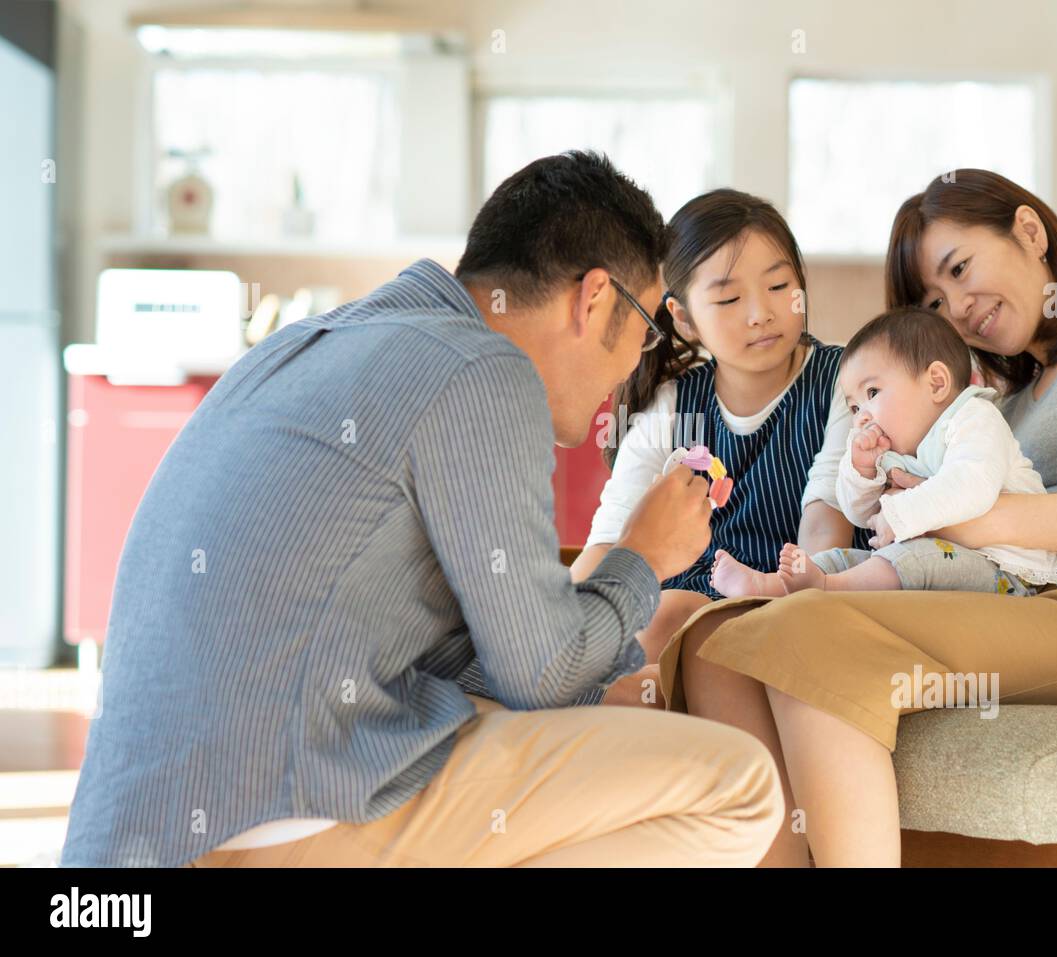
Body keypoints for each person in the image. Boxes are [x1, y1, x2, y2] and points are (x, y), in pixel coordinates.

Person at [59, 151, 783, 868]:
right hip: (277, 813)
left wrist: (592, 668)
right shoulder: (486, 369)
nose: (636, 363)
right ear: (593, 299)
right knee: (742, 785)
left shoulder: (316, 343)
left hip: (141, 837)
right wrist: (643, 557)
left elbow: (475, 662)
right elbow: (543, 670)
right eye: (646, 327)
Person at [655, 168, 1057, 868]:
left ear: (1030, 230)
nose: (959, 309)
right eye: (936, 299)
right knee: (727, 636)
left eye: (960, 269)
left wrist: (980, 520)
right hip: (1040, 594)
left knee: (809, 628)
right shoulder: (1005, 400)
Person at [571, 189, 870, 707]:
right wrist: (560, 634)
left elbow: (825, 533)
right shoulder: (674, 402)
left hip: (796, 596)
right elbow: (611, 542)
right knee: (665, 613)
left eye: (779, 286)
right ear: (684, 319)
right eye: (729, 300)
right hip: (683, 604)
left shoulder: (842, 380)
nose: (760, 313)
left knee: (687, 622)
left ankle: (608, 709)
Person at [720, 305, 1057, 598]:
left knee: (911, 558)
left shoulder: (973, 418)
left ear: (936, 383)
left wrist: (899, 514)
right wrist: (862, 471)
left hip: (1010, 572)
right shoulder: (899, 447)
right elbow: (859, 514)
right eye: (854, 407)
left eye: (872, 392)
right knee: (844, 557)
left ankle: (826, 589)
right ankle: (770, 584)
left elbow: (972, 485)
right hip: (946, 558)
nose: (863, 416)